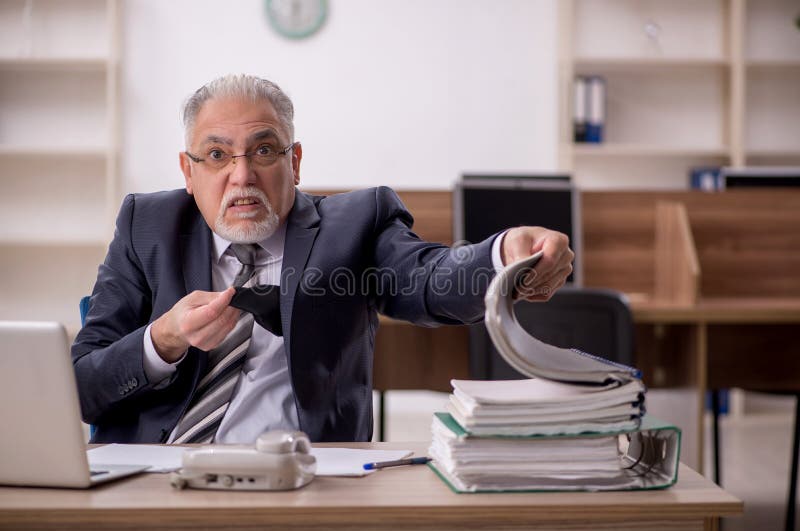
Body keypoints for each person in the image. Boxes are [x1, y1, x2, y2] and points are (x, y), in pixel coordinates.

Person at [72, 74, 574, 444]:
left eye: (263, 150)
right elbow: (82, 385)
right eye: (219, 155)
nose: (242, 176)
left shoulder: (354, 224)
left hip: (301, 485)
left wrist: (500, 255)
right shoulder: (147, 226)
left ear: (294, 162)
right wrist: (164, 340)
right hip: (155, 479)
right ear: (189, 169)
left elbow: (429, 280)